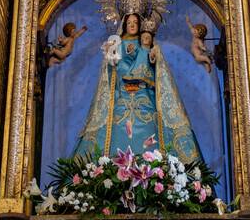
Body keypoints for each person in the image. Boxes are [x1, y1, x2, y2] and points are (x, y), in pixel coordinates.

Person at [73, 13, 202, 161]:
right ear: (124, 25)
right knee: (117, 130)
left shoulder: (148, 43)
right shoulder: (117, 43)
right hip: (121, 97)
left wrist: (154, 57)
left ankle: (153, 170)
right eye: (129, 23)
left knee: (150, 131)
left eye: (135, 22)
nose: (133, 25)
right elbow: (112, 69)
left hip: (145, 96)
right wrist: (111, 56)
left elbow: (157, 69)